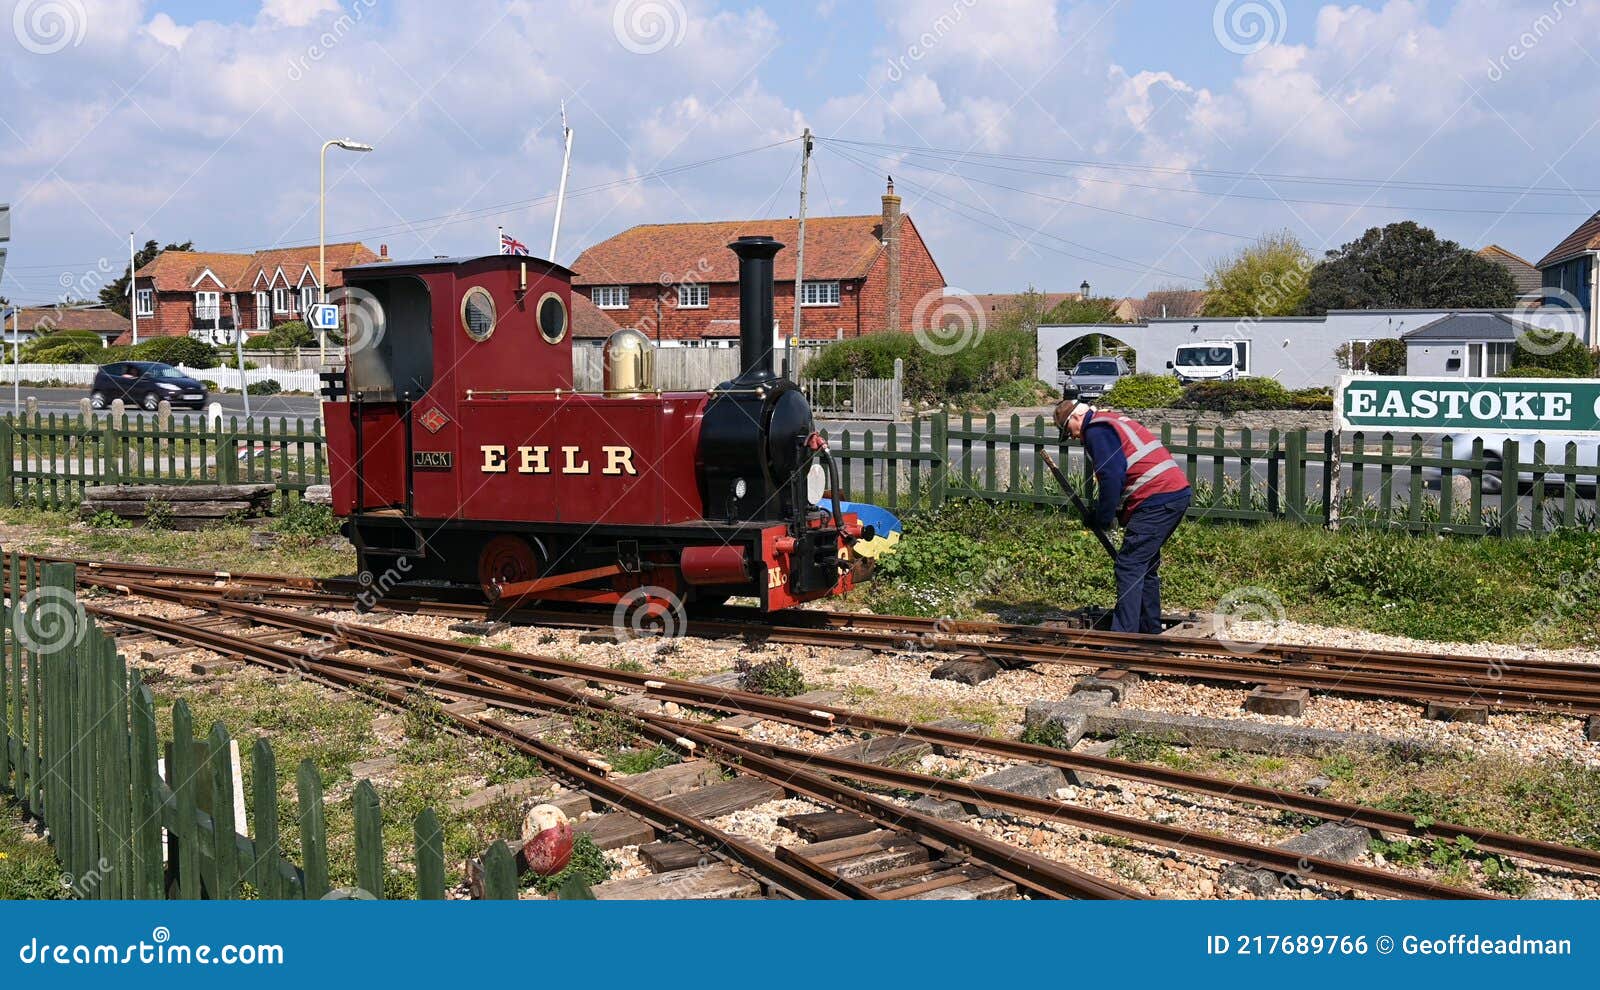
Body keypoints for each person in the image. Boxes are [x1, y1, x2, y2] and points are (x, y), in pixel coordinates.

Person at [1054, 397, 1192, 634]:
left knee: (1129, 565)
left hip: (1157, 497)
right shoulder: (1110, 419)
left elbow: (1111, 475)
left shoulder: (1096, 430)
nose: (1073, 437)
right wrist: (1111, 512)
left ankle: (1124, 637)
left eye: (1069, 430)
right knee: (1144, 565)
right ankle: (1148, 630)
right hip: (1173, 493)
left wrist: (1103, 516)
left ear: (1076, 417)